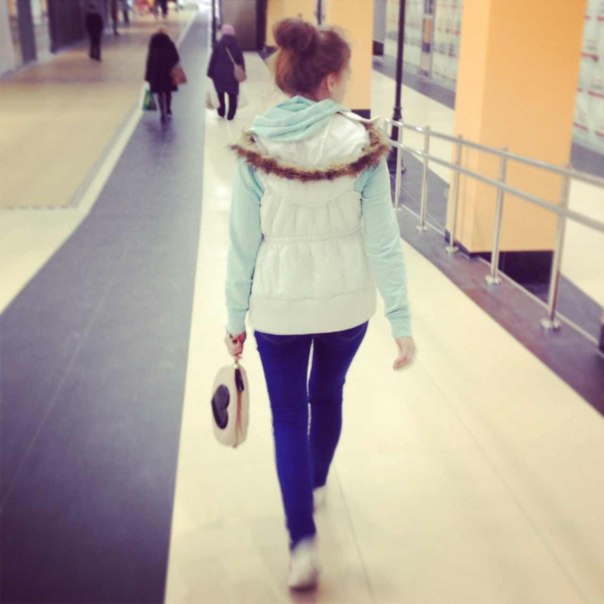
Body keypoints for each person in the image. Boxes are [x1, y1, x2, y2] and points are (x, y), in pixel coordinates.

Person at [224, 17, 415, 591]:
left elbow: (242, 245)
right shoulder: (363, 145)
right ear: (330, 80)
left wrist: (234, 319)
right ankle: (315, 482)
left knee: (288, 418)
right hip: (346, 305)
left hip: (278, 307)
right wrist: (401, 320)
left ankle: (301, 543)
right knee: (327, 394)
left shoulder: (257, 144)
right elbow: (384, 241)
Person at [206, 24, 245, 121]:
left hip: (218, 73)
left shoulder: (218, 45)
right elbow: (240, 60)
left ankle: (221, 112)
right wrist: (242, 72)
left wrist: (209, 72)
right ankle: (231, 115)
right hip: (232, 74)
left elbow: (213, 59)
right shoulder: (237, 45)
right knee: (233, 95)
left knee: (220, 93)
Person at [144, 28, 180, 124]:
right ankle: (168, 108)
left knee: (160, 92)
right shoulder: (169, 43)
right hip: (168, 72)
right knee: (168, 91)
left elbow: (149, 60)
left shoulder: (153, 44)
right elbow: (176, 57)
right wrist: (172, 64)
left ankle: (162, 111)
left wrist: (147, 75)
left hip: (156, 72)